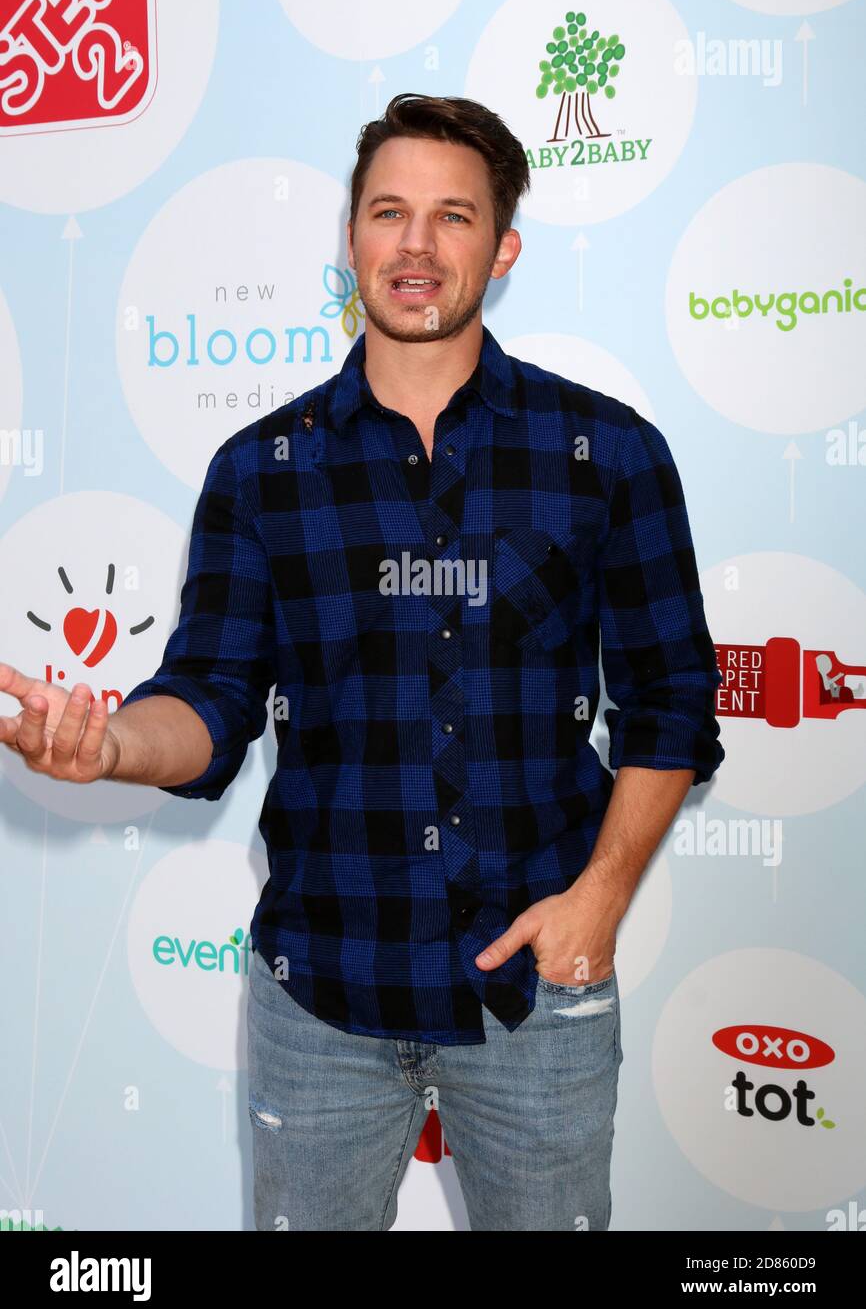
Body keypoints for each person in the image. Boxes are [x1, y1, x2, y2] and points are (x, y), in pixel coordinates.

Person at [0, 93, 724, 1231]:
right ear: (349, 239)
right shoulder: (260, 470)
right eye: (389, 213)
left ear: (503, 247)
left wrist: (598, 900)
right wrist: (111, 745)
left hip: (534, 996)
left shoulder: (607, 455)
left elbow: (673, 699)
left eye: (453, 216)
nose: (417, 246)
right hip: (320, 1000)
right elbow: (210, 697)